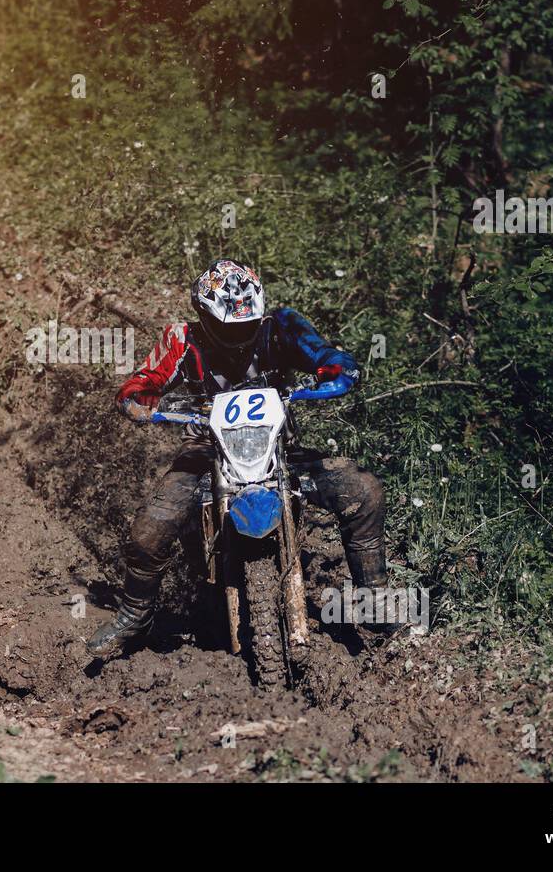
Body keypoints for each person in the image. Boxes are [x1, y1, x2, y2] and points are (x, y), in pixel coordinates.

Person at [86, 259, 402, 657]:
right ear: (205, 316)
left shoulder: (281, 326)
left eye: (246, 325)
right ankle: (135, 618)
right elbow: (146, 379)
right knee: (150, 528)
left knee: (364, 490)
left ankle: (374, 600)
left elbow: (324, 353)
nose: (239, 335)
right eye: (228, 327)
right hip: (206, 451)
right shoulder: (182, 339)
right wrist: (141, 398)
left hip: (279, 447)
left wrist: (335, 371)